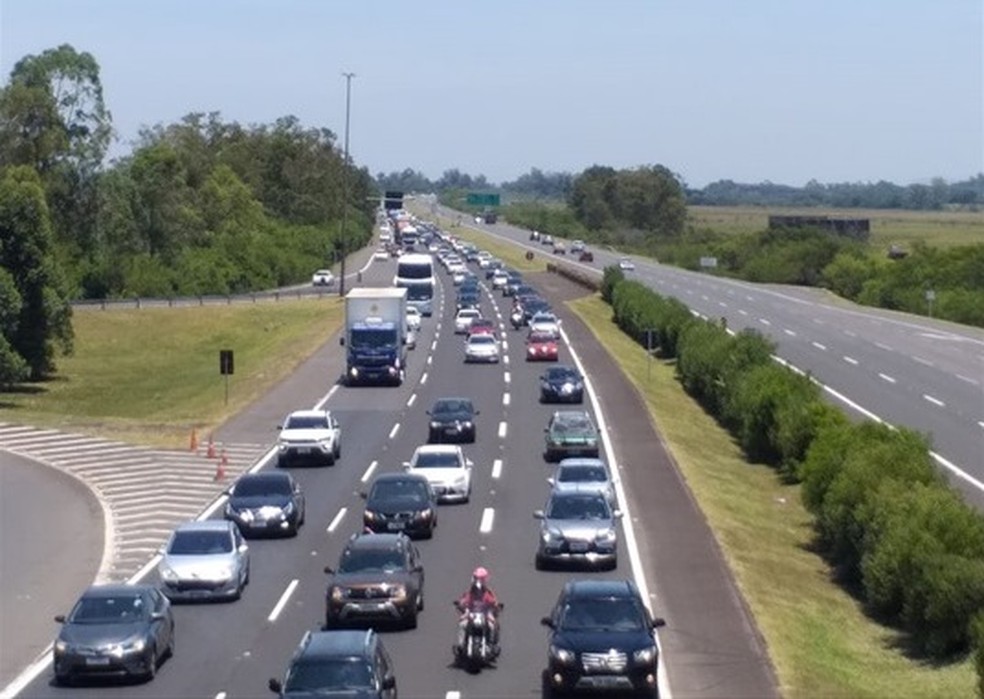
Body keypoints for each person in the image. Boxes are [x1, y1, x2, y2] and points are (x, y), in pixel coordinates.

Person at [455, 567, 501, 656]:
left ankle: (491, 646)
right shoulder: (470, 593)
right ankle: (461, 645)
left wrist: (495, 607)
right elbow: (464, 601)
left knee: (492, 626)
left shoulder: (488, 593)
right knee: (462, 624)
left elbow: (494, 602)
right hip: (471, 615)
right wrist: (461, 605)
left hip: (484, 615)